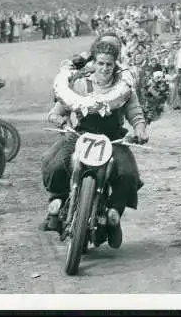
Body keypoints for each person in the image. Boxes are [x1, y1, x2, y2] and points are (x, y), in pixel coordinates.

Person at [40, 40, 149, 249]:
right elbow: (60, 108)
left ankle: (114, 215)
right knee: (53, 163)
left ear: (115, 64)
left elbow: (135, 113)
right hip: (79, 135)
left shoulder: (123, 88)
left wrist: (140, 130)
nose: (105, 68)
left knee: (128, 173)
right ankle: (57, 202)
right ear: (94, 62)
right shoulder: (81, 84)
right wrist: (57, 118)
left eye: (109, 64)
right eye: (100, 63)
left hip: (112, 139)